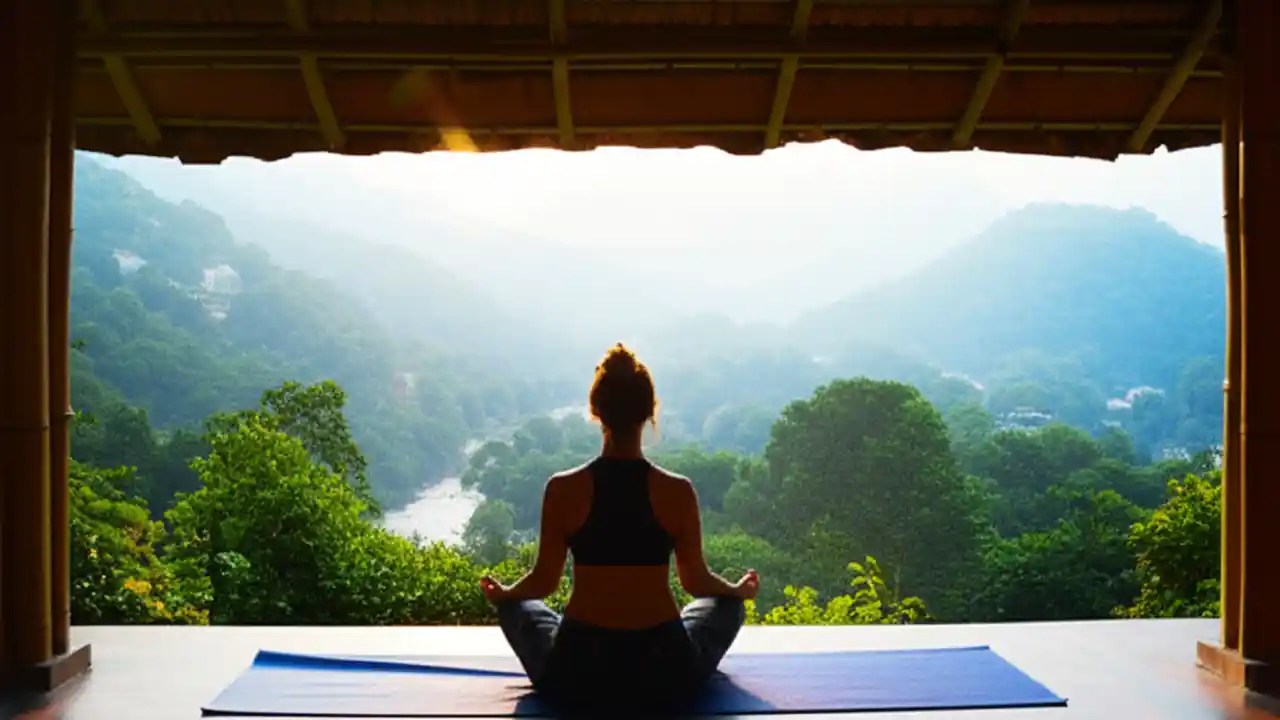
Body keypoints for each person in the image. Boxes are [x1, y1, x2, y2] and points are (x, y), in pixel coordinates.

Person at [479, 343, 759, 711]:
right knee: (726, 607)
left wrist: (504, 594)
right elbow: (695, 582)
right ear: (649, 413)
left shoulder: (563, 488)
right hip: (664, 670)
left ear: (596, 411)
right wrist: (736, 590)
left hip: (578, 671)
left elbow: (543, 583)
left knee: (520, 609)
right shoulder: (677, 490)